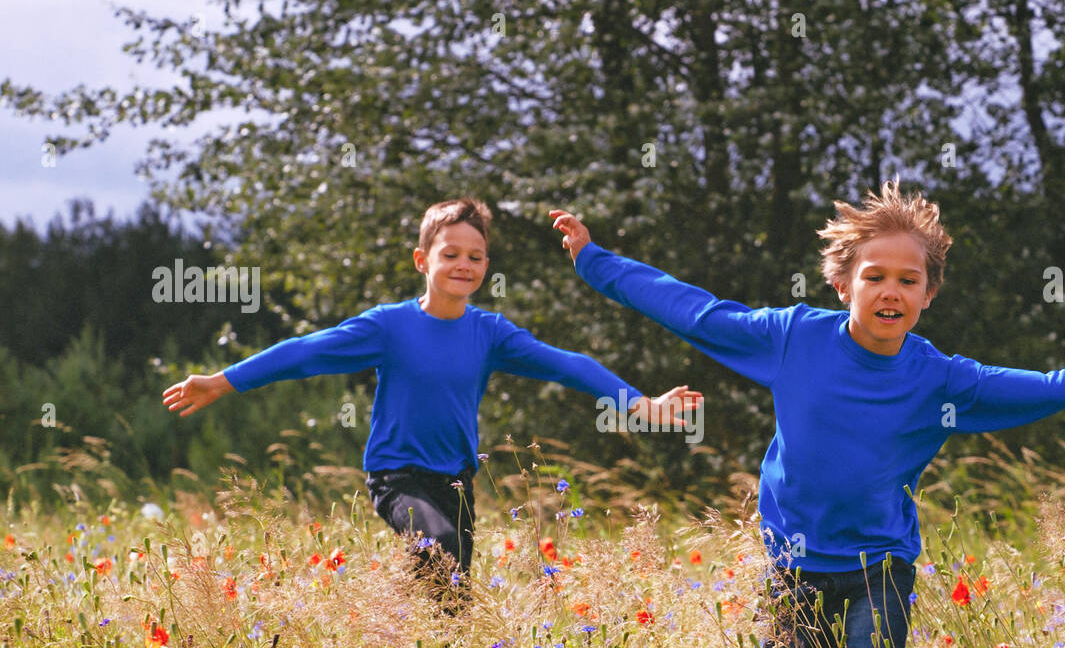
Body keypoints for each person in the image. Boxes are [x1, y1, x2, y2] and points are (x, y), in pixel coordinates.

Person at [548, 183, 1065, 648]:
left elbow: (1055, 386)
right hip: (794, 564)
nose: (890, 291)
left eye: (907, 280)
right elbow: (692, 311)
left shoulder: (942, 380)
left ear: (928, 294)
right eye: (874, 276)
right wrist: (595, 262)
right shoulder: (791, 338)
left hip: (880, 565)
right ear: (843, 282)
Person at [164, 197, 701, 601]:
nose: (464, 265)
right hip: (397, 476)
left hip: (456, 482)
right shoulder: (388, 326)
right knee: (435, 546)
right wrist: (222, 381)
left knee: (453, 592)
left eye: (476, 256)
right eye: (451, 254)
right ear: (423, 260)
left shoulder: (491, 334)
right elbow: (305, 352)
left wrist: (641, 403)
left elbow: (570, 364)